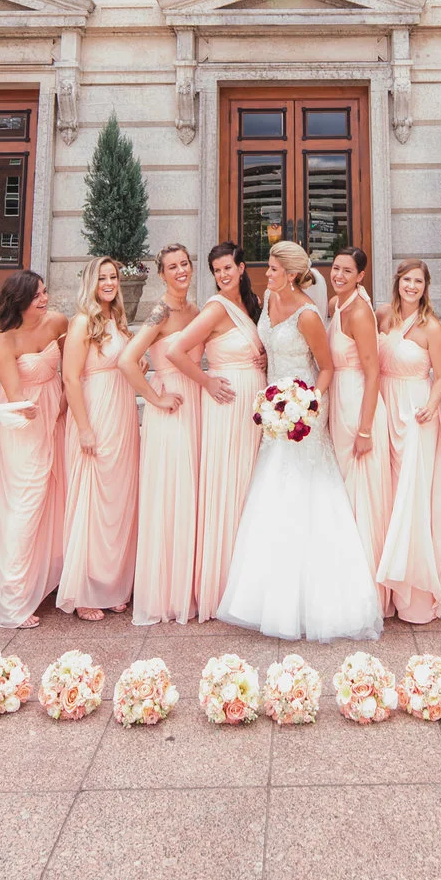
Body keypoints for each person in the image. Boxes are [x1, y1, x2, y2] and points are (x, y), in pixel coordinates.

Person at [215, 240, 385, 642]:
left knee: (302, 492)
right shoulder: (269, 301)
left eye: (273, 269)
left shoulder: (309, 314)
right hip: (275, 406)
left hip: (303, 408)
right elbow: (271, 345)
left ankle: (312, 600)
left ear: (290, 274)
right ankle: (266, 593)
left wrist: (308, 404)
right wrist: (264, 362)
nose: (266, 274)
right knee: (271, 488)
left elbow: (325, 367)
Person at [156, 240, 265, 619]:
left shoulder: (248, 305)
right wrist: (205, 382)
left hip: (251, 407)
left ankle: (246, 581)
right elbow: (175, 352)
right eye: (216, 270)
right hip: (226, 403)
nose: (222, 275)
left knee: (249, 487)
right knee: (228, 486)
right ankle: (220, 586)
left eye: (227, 268)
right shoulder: (216, 308)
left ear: (241, 267)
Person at [119, 242, 205, 626]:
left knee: (191, 492)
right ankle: (166, 593)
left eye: (184, 264)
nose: (180, 271)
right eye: (172, 267)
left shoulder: (197, 310)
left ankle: (188, 585)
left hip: (197, 403)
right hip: (170, 407)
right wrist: (154, 398)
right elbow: (126, 360)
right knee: (171, 493)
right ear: (161, 274)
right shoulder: (160, 310)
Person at [373, 258, 441, 625]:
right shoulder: (382, 316)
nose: (412, 286)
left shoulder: (431, 327)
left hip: (416, 410)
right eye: (407, 280)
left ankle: (416, 590)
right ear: (398, 282)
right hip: (385, 405)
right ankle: (385, 585)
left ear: (426, 287)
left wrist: (432, 404)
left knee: (415, 492)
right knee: (388, 491)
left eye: (419, 282)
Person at [56, 256, 138, 620]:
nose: (109, 282)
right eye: (102, 277)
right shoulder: (80, 323)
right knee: (93, 498)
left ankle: (112, 585)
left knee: (117, 500)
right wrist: (84, 427)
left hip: (121, 412)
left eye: (114, 277)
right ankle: (85, 590)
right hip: (95, 413)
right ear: (91, 282)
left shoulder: (117, 321)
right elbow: (71, 378)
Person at [0, 270, 68, 629]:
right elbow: (13, 392)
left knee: (56, 496)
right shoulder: (5, 339)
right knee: (25, 504)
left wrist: (67, 402)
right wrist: (27, 408)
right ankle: (14, 602)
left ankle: (49, 579)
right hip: (23, 424)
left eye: (45, 292)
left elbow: (73, 367)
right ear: (19, 300)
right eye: (37, 295)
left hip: (56, 414)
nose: (44, 299)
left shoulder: (57, 323)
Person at [326, 247, 390, 570]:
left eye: (347, 271)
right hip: (338, 400)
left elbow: (373, 372)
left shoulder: (361, 313)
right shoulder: (336, 304)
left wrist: (365, 429)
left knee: (359, 490)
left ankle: (363, 577)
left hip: (357, 403)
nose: (338, 275)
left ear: (361, 276)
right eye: (336, 268)